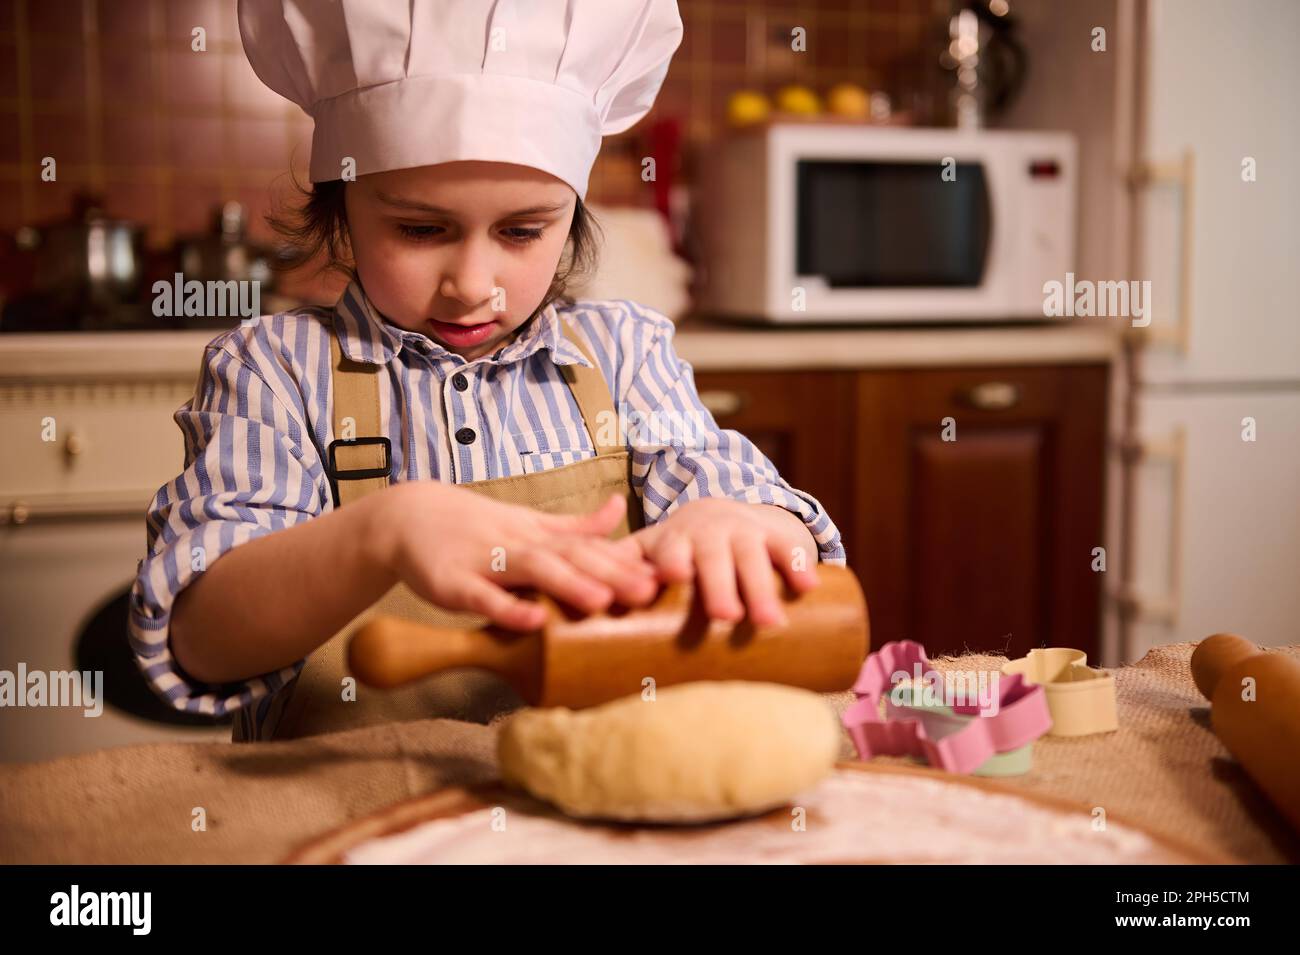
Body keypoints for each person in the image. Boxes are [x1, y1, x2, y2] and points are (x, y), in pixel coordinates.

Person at [128, 0, 846, 742]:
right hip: (341, 823)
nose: (473, 283)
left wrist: (741, 525)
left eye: (522, 231)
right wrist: (382, 533)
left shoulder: (625, 356)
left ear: (573, 215)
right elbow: (201, 640)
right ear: (342, 210)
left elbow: (778, 534)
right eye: (420, 229)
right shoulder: (274, 371)